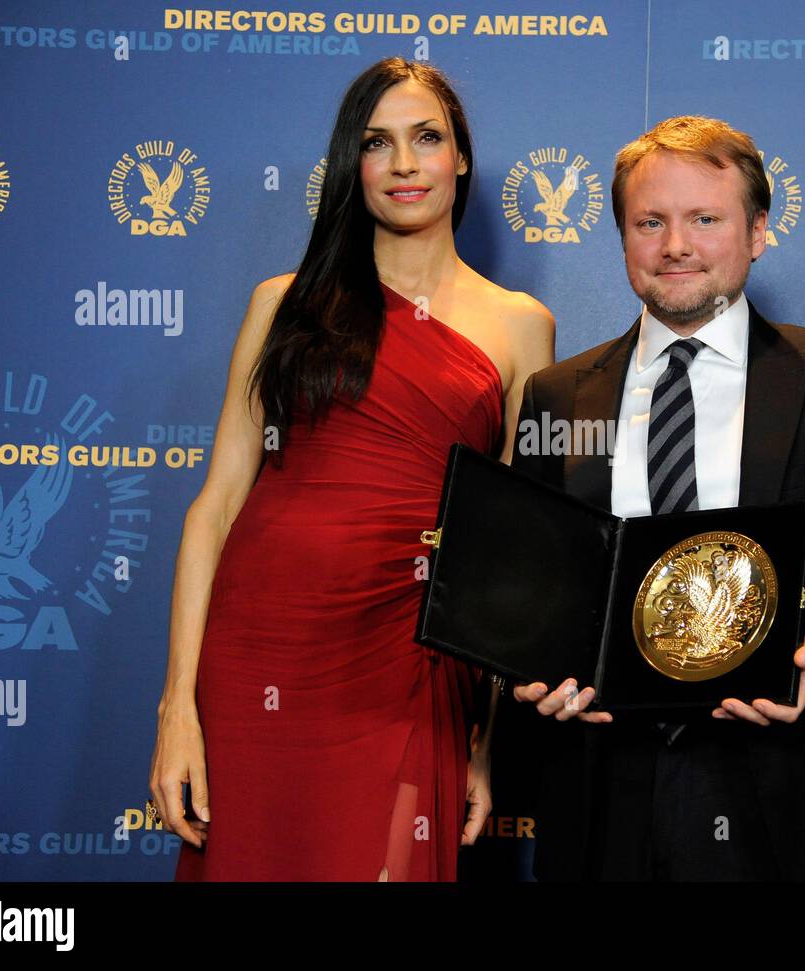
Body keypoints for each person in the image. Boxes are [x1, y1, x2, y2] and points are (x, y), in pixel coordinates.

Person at [509, 116, 805, 880]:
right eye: (649, 221)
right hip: (602, 791)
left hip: (787, 789)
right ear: (622, 238)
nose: (675, 244)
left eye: (704, 219)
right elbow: (529, 580)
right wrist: (531, 663)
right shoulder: (558, 395)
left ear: (756, 232)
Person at [149, 57, 555, 881]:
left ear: (461, 157)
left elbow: (505, 558)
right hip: (262, 650)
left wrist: (485, 741)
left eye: (427, 138)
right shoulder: (283, 303)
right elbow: (216, 507)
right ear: (352, 164)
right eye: (378, 142)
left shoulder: (522, 327)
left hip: (412, 655)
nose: (404, 164)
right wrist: (177, 710)